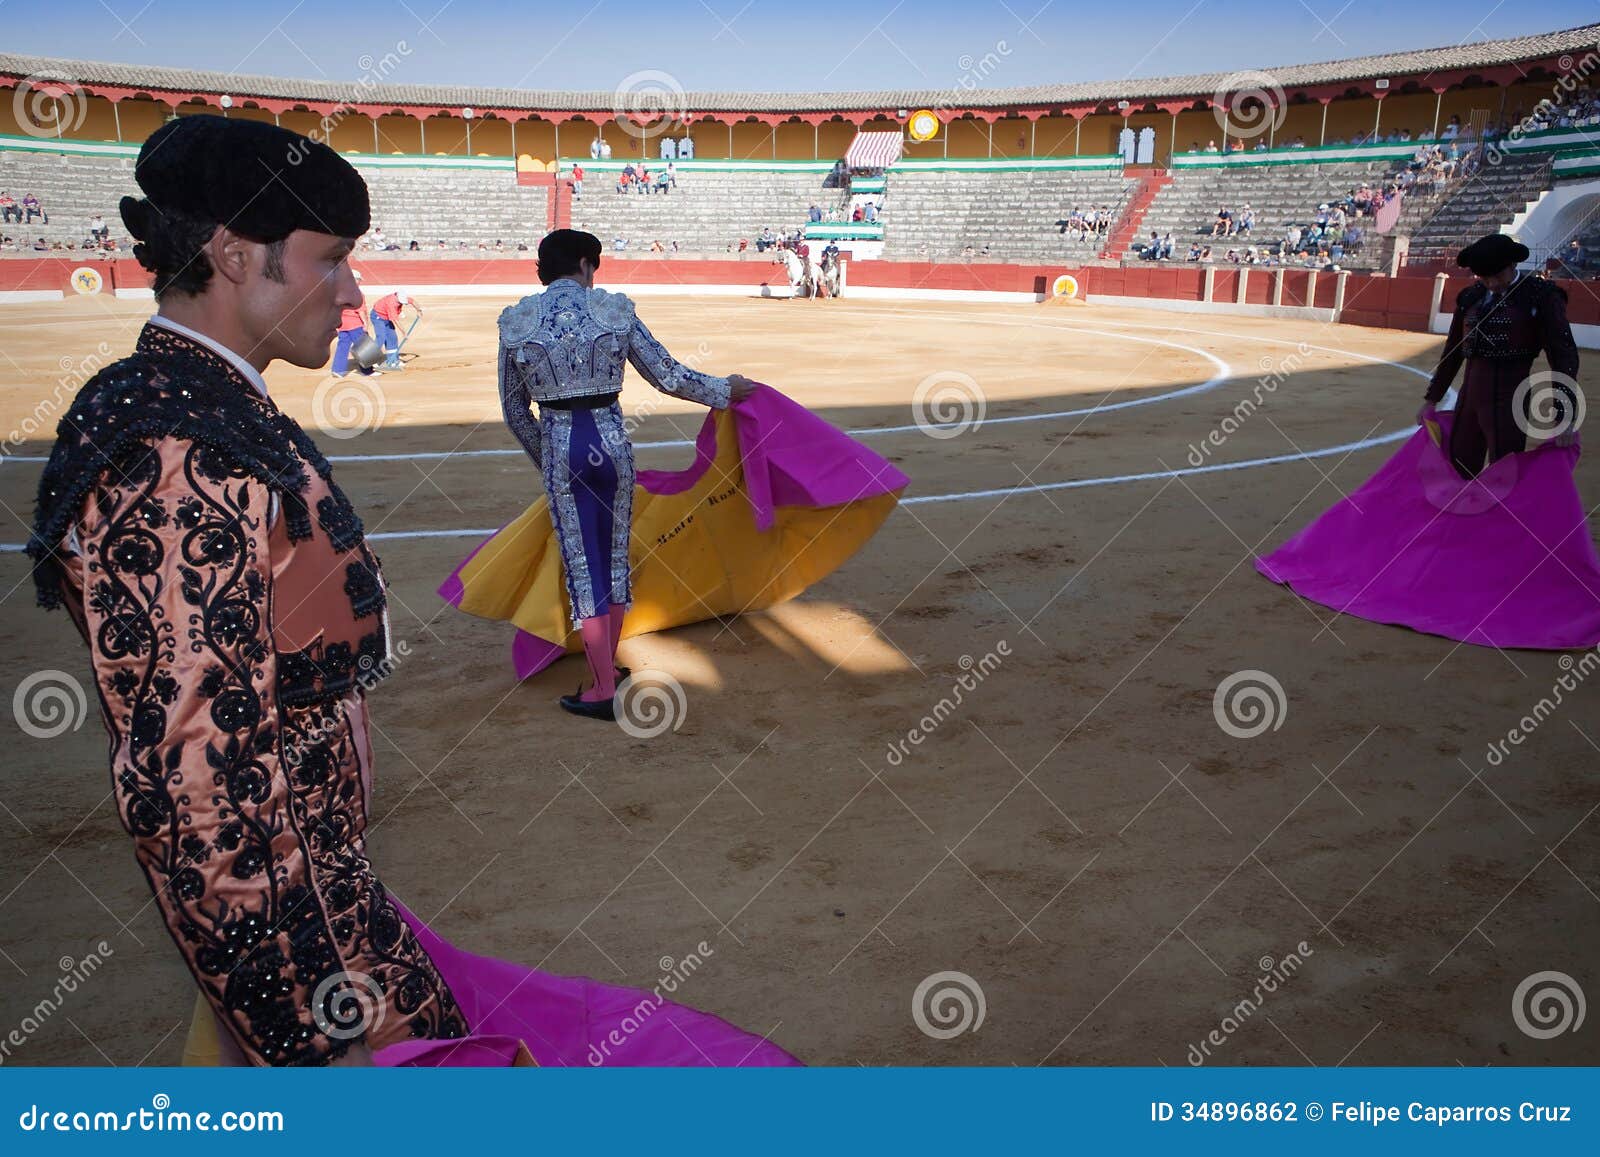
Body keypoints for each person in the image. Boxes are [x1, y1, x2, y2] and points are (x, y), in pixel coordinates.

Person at [26, 116, 798, 1070]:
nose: (352, 292)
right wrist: (325, 1037)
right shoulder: (170, 446)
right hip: (314, 957)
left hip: (330, 910)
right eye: (332, 259)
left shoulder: (200, 404)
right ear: (233, 253)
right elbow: (196, 794)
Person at [495, 230, 757, 718]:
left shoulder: (518, 322)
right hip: (613, 448)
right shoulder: (612, 312)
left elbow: (514, 411)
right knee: (614, 558)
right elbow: (668, 376)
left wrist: (549, 461)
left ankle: (601, 688)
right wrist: (726, 389)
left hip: (562, 448)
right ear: (586, 265)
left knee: (582, 565)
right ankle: (607, 671)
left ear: (541, 272)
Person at [1422, 233, 1580, 479]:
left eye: (1498, 275)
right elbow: (1453, 351)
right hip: (1469, 402)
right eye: (1485, 278)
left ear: (1513, 265)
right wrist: (1432, 398)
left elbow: (1563, 356)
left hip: (1511, 401)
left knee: (1504, 475)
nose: (1492, 283)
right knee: (1457, 472)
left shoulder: (1541, 295)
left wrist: (1565, 416)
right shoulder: (1471, 297)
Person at [332, 270, 379, 377]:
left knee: (342, 346)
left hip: (342, 324)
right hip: (355, 323)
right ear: (354, 280)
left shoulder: (339, 292)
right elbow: (360, 310)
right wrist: (365, 324)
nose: (359, 282)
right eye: (358, 280)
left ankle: (338, 370)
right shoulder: (356, 293)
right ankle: (367, 371)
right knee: (362, 346)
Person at [370, 288, 419, 370]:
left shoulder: (402, 297)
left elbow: (413, 302)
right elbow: (395, 320)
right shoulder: (391, 303)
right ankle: (370, 360)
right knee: (381, 337)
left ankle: (392, 360)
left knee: (392, 338)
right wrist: (404, 333)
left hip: (386, 318)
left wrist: (419, 310)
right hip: (378, 317)